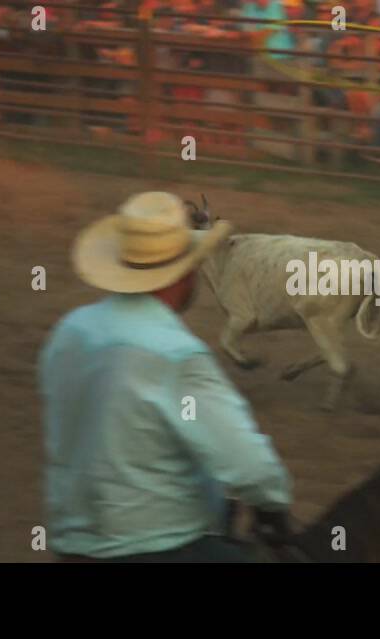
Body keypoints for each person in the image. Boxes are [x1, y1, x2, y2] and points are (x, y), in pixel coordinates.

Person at [39, 192, 293, 562]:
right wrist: (272, 504)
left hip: (73, 546)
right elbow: (251, 467)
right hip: (159, 548)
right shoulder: (175, 355)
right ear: (183, 274)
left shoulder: (69, 333)